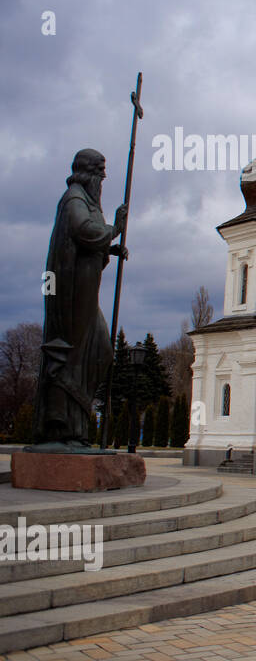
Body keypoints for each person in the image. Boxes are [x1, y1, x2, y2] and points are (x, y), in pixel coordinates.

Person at [29, 148, 128, 450]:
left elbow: (87, 242)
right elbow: (83, 231)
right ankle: (58, 426)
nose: (103, 177)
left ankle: (77, 426)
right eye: (100, 171)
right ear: (86, 172)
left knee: (99, 350)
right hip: (69, 294)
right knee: (70, 352)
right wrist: (115, 229)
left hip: (84, 291)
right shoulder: (74, 198)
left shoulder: (87, 201)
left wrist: (108, 248)